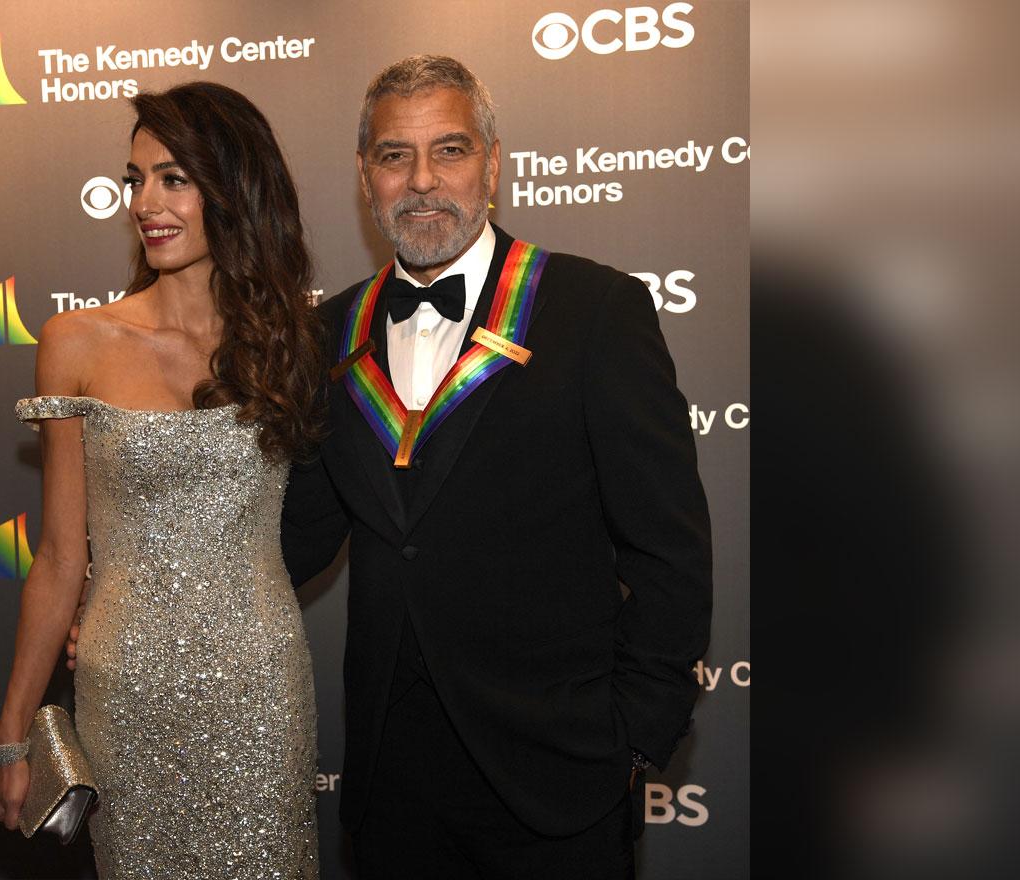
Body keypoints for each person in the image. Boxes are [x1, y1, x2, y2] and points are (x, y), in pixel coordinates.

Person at [280, 56, 713, 878]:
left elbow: (669, 549)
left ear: (494, 161)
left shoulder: (595, 311)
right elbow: (295, 540)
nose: (422, 182)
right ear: (364, 173)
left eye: (450, 150)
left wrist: (632, 740)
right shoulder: (325, 334)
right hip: (389, 782)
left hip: (561, 776)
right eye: (393, 155)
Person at [0, 82, 324, 880]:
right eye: (136, 179)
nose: (146, 201)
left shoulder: (293, 342)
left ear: (233, 189)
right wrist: (12, 737)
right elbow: (62, 558)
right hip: (125, 689)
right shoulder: (76, 339)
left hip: (261, 688)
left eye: (175, 178)